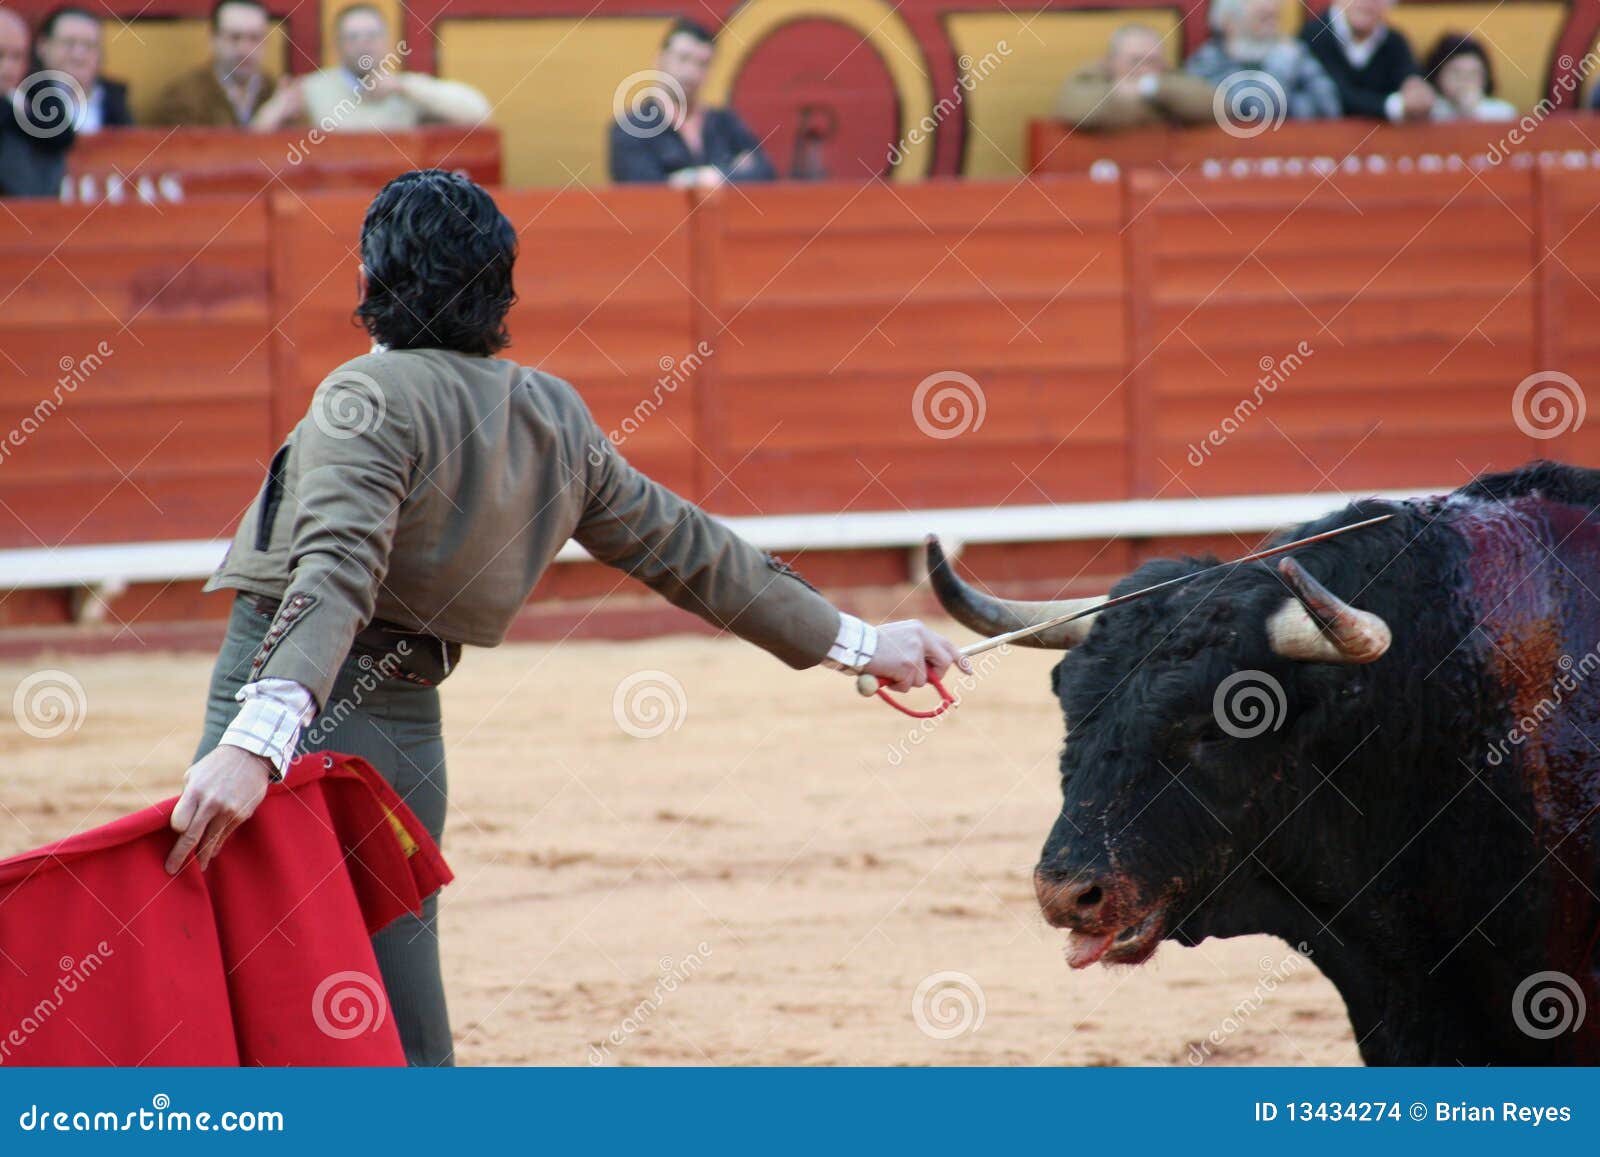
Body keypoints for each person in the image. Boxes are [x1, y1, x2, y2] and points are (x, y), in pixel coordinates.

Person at [168, 168, 965, 1066]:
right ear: (501, 292)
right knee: (395, 993)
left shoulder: (367, 396)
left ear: (365, 279)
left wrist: (255, 741)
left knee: (238, 970)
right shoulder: (549, 413)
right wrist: (862, 641)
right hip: (407, 736)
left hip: (289, 702)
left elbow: (337, 573)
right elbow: (688, 549)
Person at [610, 17, 774, 186]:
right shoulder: (631, 128)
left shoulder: (724, 123)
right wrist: (729, 173)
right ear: (659, 59)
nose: (691, 71)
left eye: (702, 64)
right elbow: (646, 193)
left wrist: (705, 177)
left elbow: (765, 173)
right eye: (683, 58)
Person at [289, 4, 489, 131]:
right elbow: (262, 137)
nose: (362, 44)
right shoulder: (313, 88)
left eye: (371, 36)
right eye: (352, 37)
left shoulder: (407, 88)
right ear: (337, 45)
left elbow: (479, 113)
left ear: (387, 41)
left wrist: (403, 88)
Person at [1186, 0, 1342, 121]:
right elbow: (1257, 109)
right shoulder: (1205, 62)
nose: (1271, 7)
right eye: (1256, 2)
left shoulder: (1296, 52)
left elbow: (1330, 106)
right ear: (1228, 21)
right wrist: (1282, 66)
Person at [149, 0, 287, 127]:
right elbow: (191, 152)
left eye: (254, 38)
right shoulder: (181, 97)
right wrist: (261, 126)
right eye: (234, 38)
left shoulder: (278, 93)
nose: (244, 49)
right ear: (213, 40)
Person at [1055, 23, 1215, 130]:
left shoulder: (1169, 78)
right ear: (1111, 61)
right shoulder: (1090, 77)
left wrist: (1150, 87)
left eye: (1152, 61)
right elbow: (1078, 110)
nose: (1143, 69)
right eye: (1135, 61)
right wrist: (1118, 93)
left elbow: (1216, 106)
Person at [1301, 0, 1431, 121]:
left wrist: (1415, 87)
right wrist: (1396, 105)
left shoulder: (1394, 41)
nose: (1367, 3)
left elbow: (1409, 74)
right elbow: (1334, 98)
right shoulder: (1314, 36)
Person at [0, 5, 75, 197]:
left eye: (17, 56)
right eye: (0, 55)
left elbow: (62, 136)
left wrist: (17, 111)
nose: (7, 67)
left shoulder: (33, 89)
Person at [34, 5, 133, 132]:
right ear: (43, 46)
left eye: (89, 45)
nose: (78, 55)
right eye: (68, 43)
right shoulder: (23, 101)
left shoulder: (116, 102)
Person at [1423, 33, 1516, 121]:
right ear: (1438, 75)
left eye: (1473, 74)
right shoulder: (1428, 110)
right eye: (1456, 73)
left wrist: (1472, 111)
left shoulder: (1502, 112)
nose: (1465, 81)